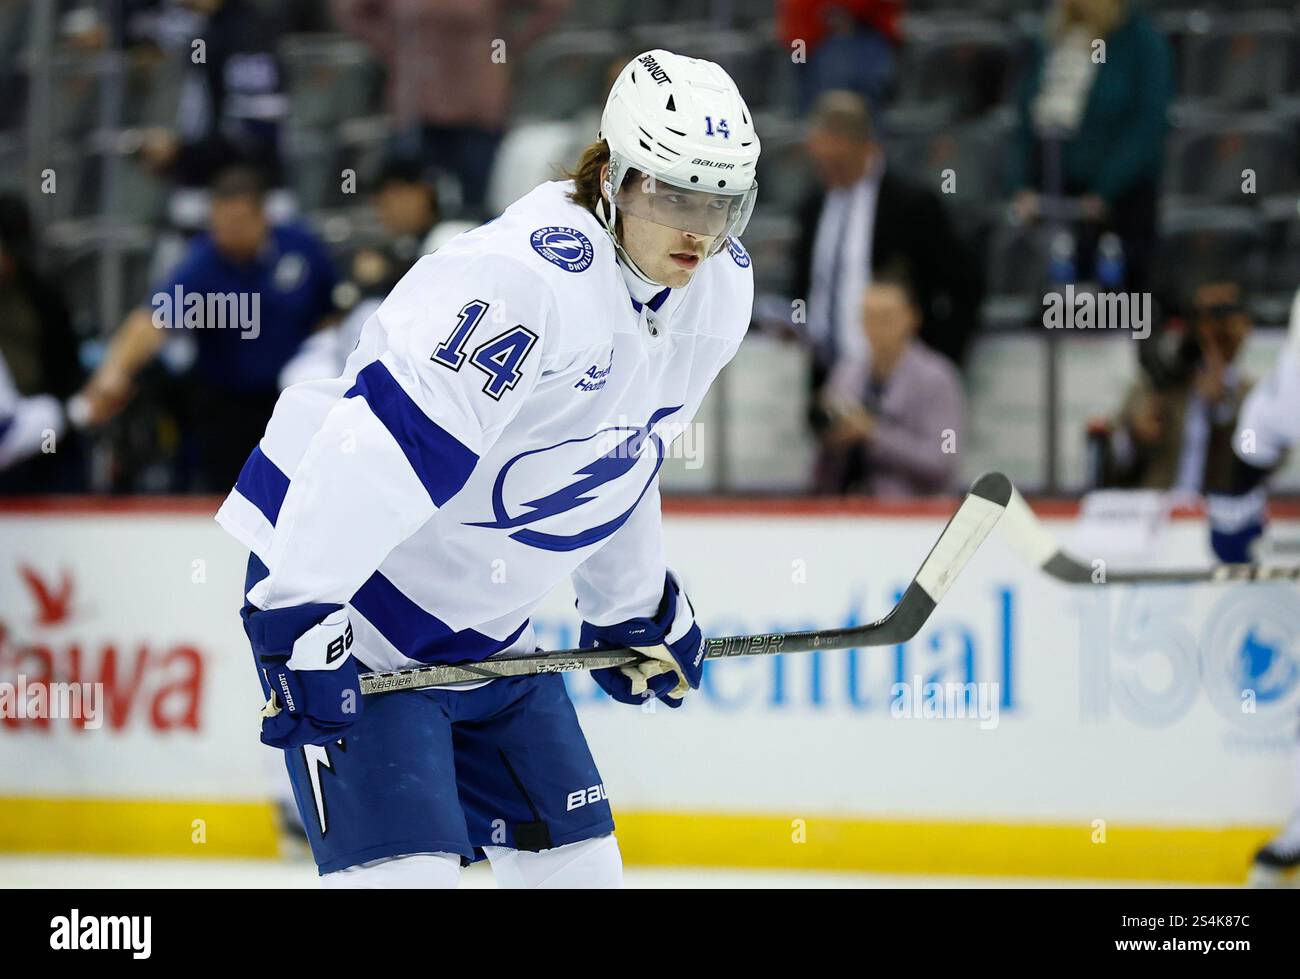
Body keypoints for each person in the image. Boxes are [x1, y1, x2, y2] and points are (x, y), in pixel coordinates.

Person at [213, 50, 760, 889]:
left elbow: (625, 450)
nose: (700, 228)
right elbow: (387, 447)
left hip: (491, 637)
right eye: (675, 195)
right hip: (356, 606)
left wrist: (632, 604)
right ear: (614, 176)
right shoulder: (523, 282)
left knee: (586, 875)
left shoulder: (717, 289)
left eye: (722, 203)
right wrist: (298, 607)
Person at [77, 167, 339, 491]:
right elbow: (152, 321)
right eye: (220, 223)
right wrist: (112, 373)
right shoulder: (203, 264)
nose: (228, 232)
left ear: (262, 217)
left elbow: (332, 313)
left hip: (292, 400)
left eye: (239, 222)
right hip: (226, 405)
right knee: (228, 489)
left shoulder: (302, 249)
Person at [792, 90, 981, 443]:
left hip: (901, 382)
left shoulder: (912, 204)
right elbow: (808, 285)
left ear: (860, 145)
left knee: (904, 478)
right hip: (833, 378)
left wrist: (938, 364)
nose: (823, 167)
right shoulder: (814, 204)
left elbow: (964, 286)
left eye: (833, 159)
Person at [1007, 0, 1171, 293]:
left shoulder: (1139, 39)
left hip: (1121, 204)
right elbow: (1023, 118)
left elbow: (1148, 124)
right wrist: (1021, 184)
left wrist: (1104, 191)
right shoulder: (1049, 38)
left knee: (1116, 299)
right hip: (1053, 193)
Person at [816, 264, 965, 495]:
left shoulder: (937, 378)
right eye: (868, 316)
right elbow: (821, 465)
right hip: (847, 510)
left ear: (912, 318)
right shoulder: (847, 374)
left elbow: (942, 460)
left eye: (885, 317)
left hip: (914, 514)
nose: (875, 327)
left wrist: (872, 433)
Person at [1100, 280, 1254, 493]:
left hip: (1220, 513)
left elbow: (1257, 455)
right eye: (1205, 317)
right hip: (1157, 510)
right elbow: (1114, 455)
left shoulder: (1250, 395)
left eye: (1223, 316)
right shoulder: (1157, 381)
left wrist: (1222, 408)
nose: (1215, 328)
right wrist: (1134, 435)